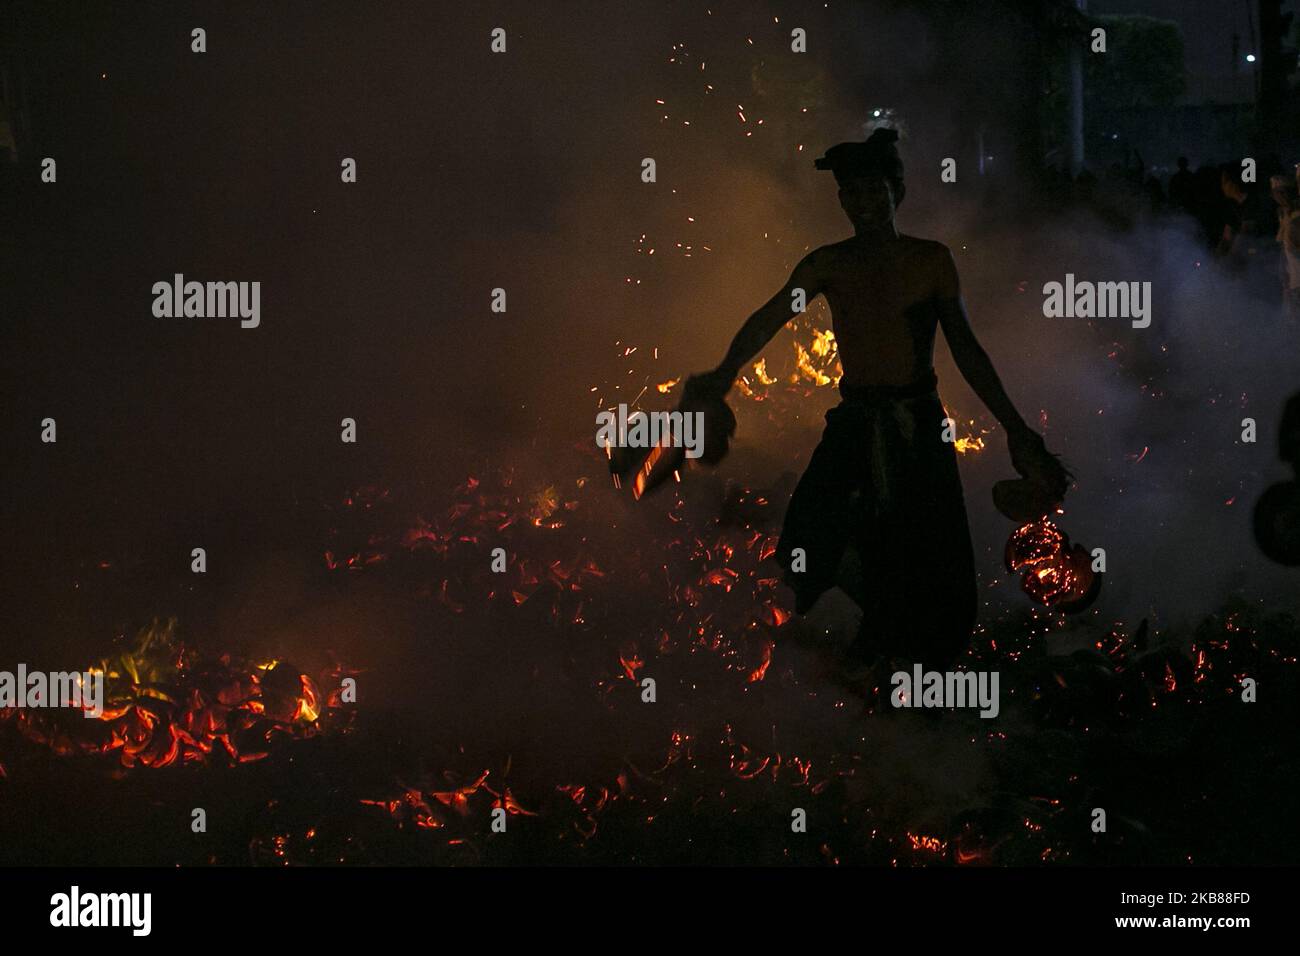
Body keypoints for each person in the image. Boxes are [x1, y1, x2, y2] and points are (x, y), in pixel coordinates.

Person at [685, 128, 1068, 677]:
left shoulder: (931, 261)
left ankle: (911, 661)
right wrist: (723, 373)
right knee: (808, 535)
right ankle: (875, 628)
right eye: (853, 195)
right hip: (856, 420)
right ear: (841, 201)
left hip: (919, 421)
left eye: (875, 192)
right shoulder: (826, 266)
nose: (864, 205)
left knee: (932, 551)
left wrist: (1014, 426)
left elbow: (965, 348)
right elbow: (771, 316)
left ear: (897, 194)